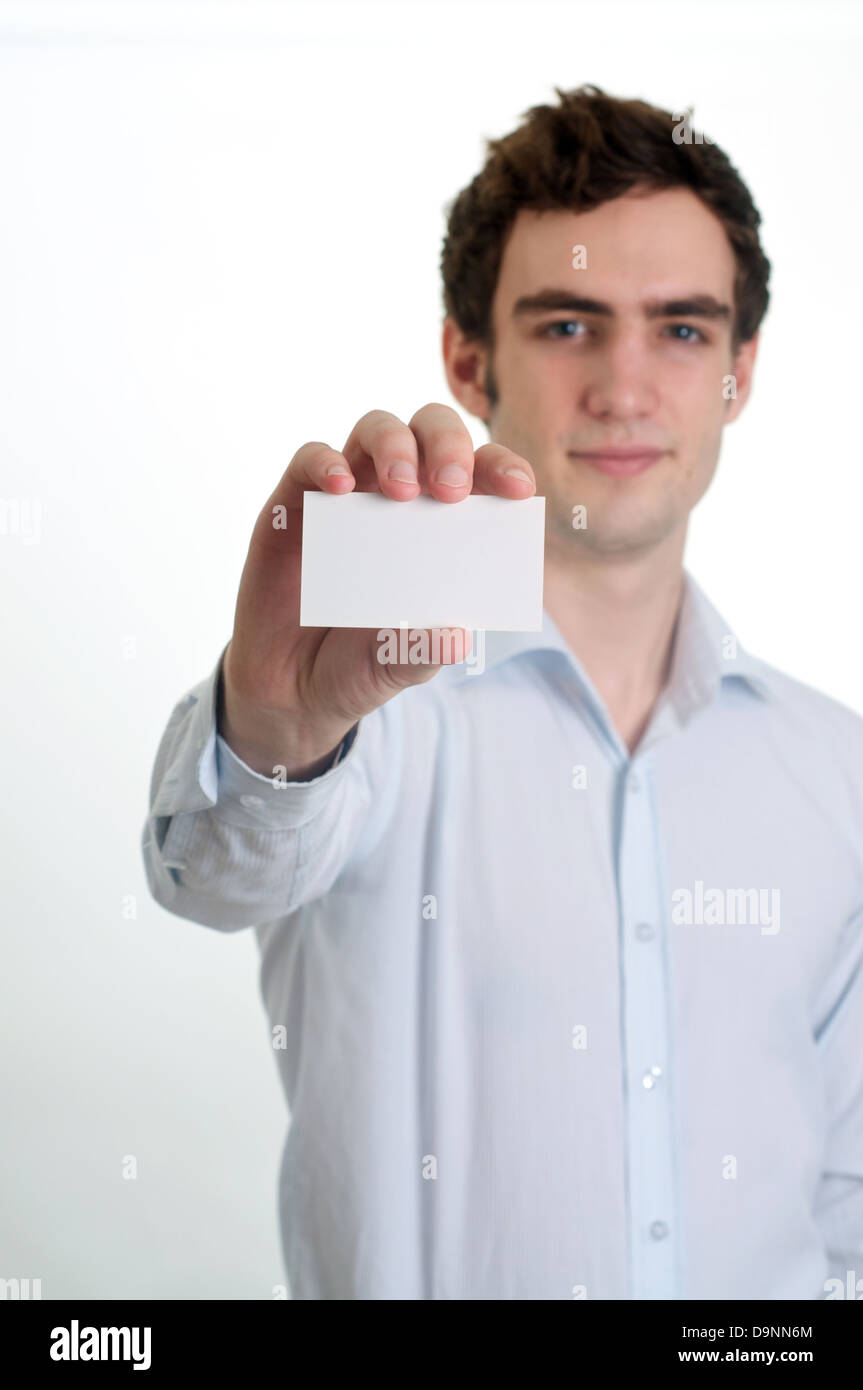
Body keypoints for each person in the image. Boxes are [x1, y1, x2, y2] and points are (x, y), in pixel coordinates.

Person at [142, 84, 863, 1300]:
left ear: (741, 371)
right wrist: (276, 725)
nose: (626, 390)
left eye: (681, 330)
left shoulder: (836, 774)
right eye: (569, 325)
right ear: (467, 359)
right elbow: (215, 867)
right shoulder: (361, 721)